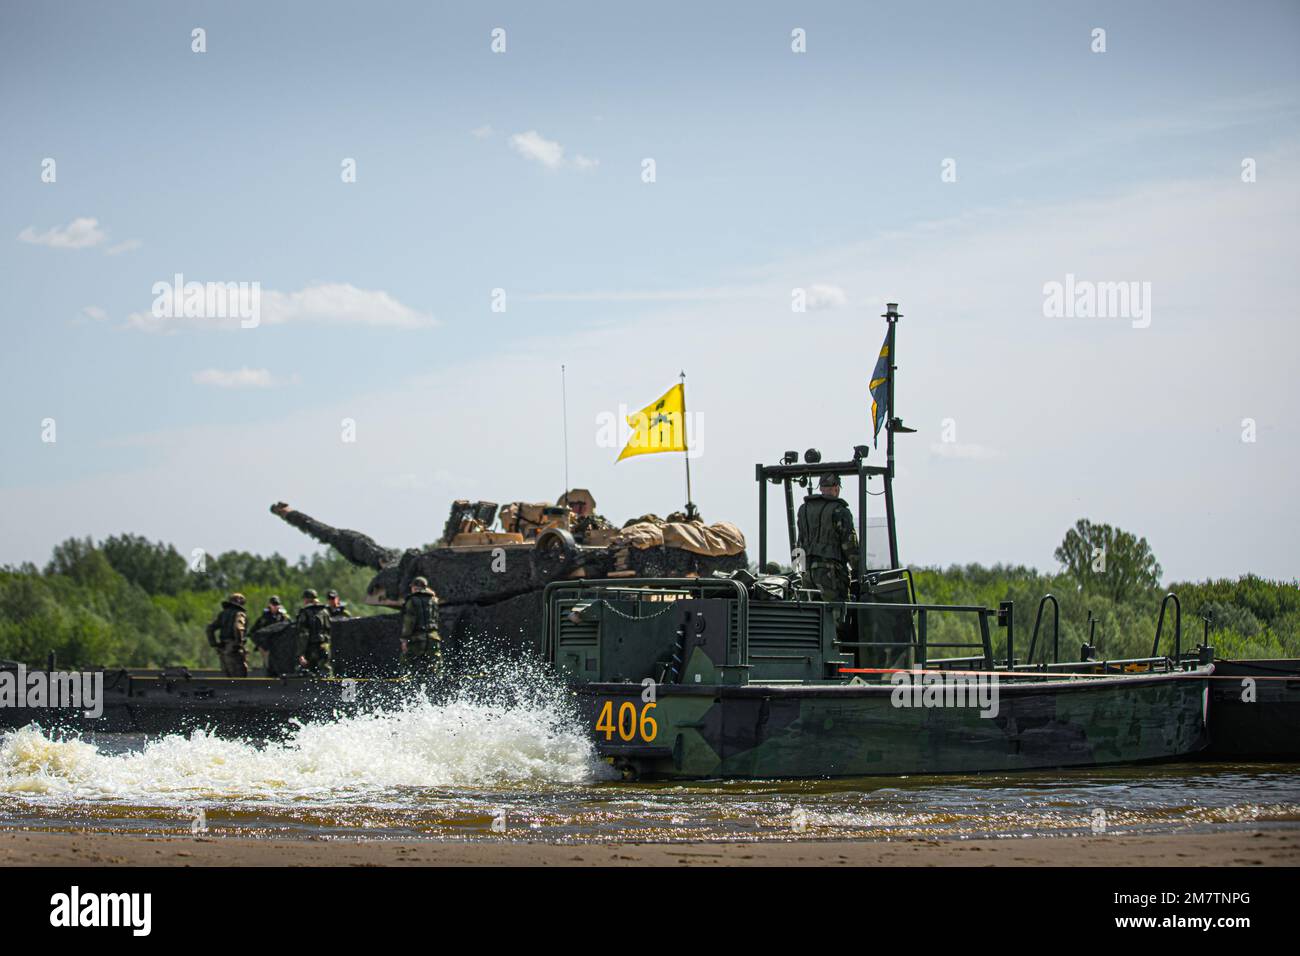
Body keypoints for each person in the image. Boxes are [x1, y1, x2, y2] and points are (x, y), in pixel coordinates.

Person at [796, 473, 859, 636]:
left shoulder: (804, 509)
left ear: (821, 488)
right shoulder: (840, 511)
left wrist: (798, 572)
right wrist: (859, 570)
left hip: (807, 573)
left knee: (811, 618)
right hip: (831, 574)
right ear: (836, 488)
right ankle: (837, 656)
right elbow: (850, 546)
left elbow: (799, 544)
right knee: (835, 618)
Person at [400, 576, 442, 679]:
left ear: (414, 587)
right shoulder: (434, 600)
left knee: (407, 663)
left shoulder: (412, 601)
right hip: (433, 638)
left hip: (417, 639)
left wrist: (405, 639)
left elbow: (409, 621)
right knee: (435, 667)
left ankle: (408, 688)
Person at [205, 592, 249, 678]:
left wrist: (214, 644)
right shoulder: (240, 614)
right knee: (240, 680)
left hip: (223, 649)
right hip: (233, 649)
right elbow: (238, 628)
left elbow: (210, 628)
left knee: (227, 679)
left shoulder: (223, 614)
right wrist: (238, 644)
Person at [249, 595, 291, 676]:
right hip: (266, 646)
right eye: (273, 605)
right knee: (268, 666)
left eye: (277, 605)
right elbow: (253, 632)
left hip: (280, 647)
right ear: (270, 605)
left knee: (281, 666)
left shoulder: (284, 617)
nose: (275, 607)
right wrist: (260, 644)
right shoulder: (263, 618)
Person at [295, 589, 333, 677]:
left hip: (311, 649)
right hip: (325, 647)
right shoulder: (324, 611)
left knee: (308, 674)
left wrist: (301, 654)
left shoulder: (305, 612)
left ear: (306, 599)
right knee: (326, 674)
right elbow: (329, 630)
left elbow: (303, 635)